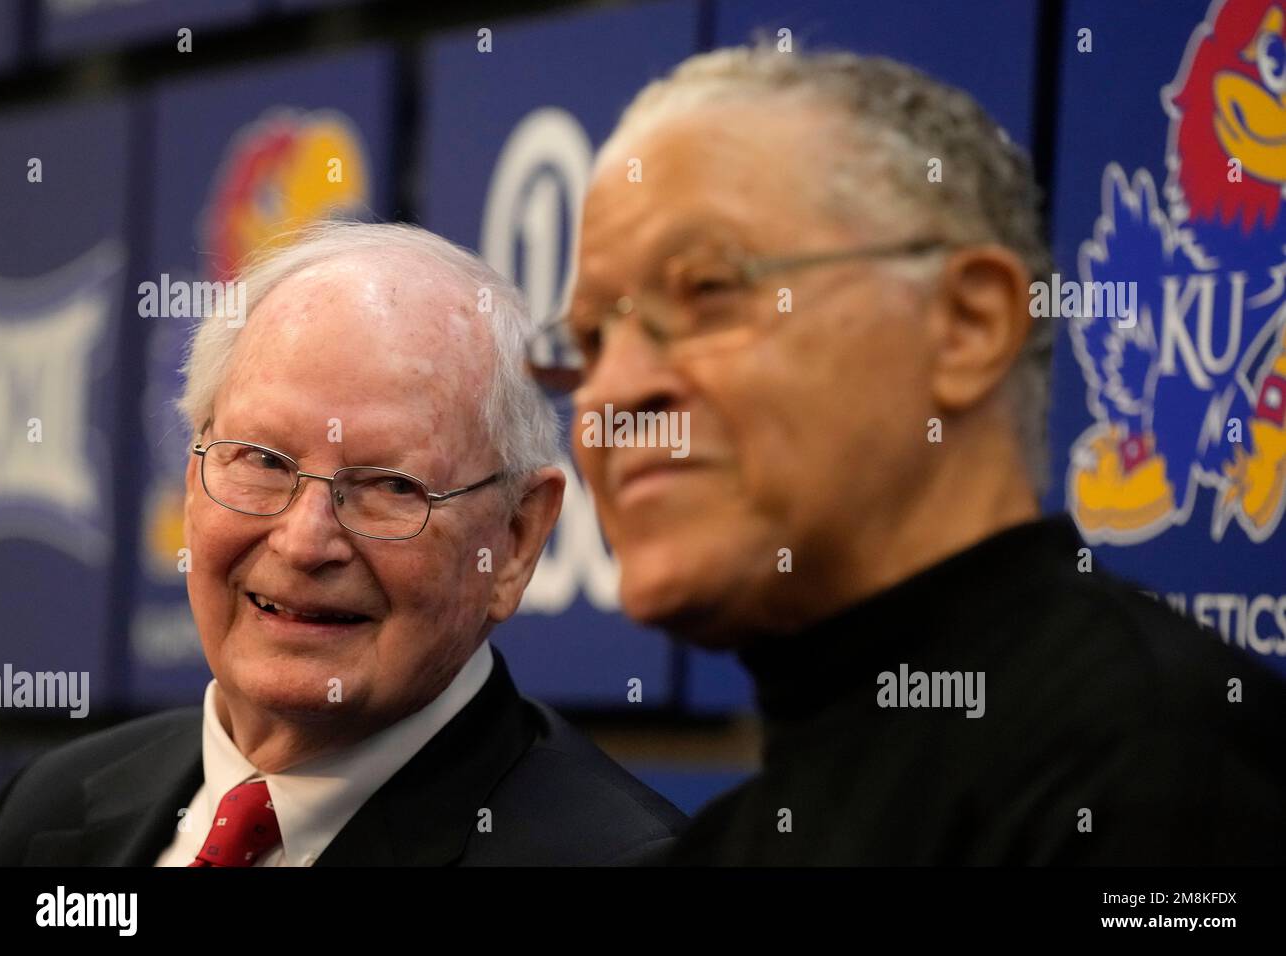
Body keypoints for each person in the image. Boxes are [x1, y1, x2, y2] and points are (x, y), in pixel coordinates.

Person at [543, 45, 1286, 864]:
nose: (611, 396)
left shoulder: (1160, 775)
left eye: (709, 291)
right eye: (589, 340)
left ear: (967, 326)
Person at [0, 222, 683, 867]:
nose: (303, 540)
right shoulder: (46, 811)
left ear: (517, 538)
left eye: (389, 485)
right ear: (193, 472)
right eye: (260, 460)